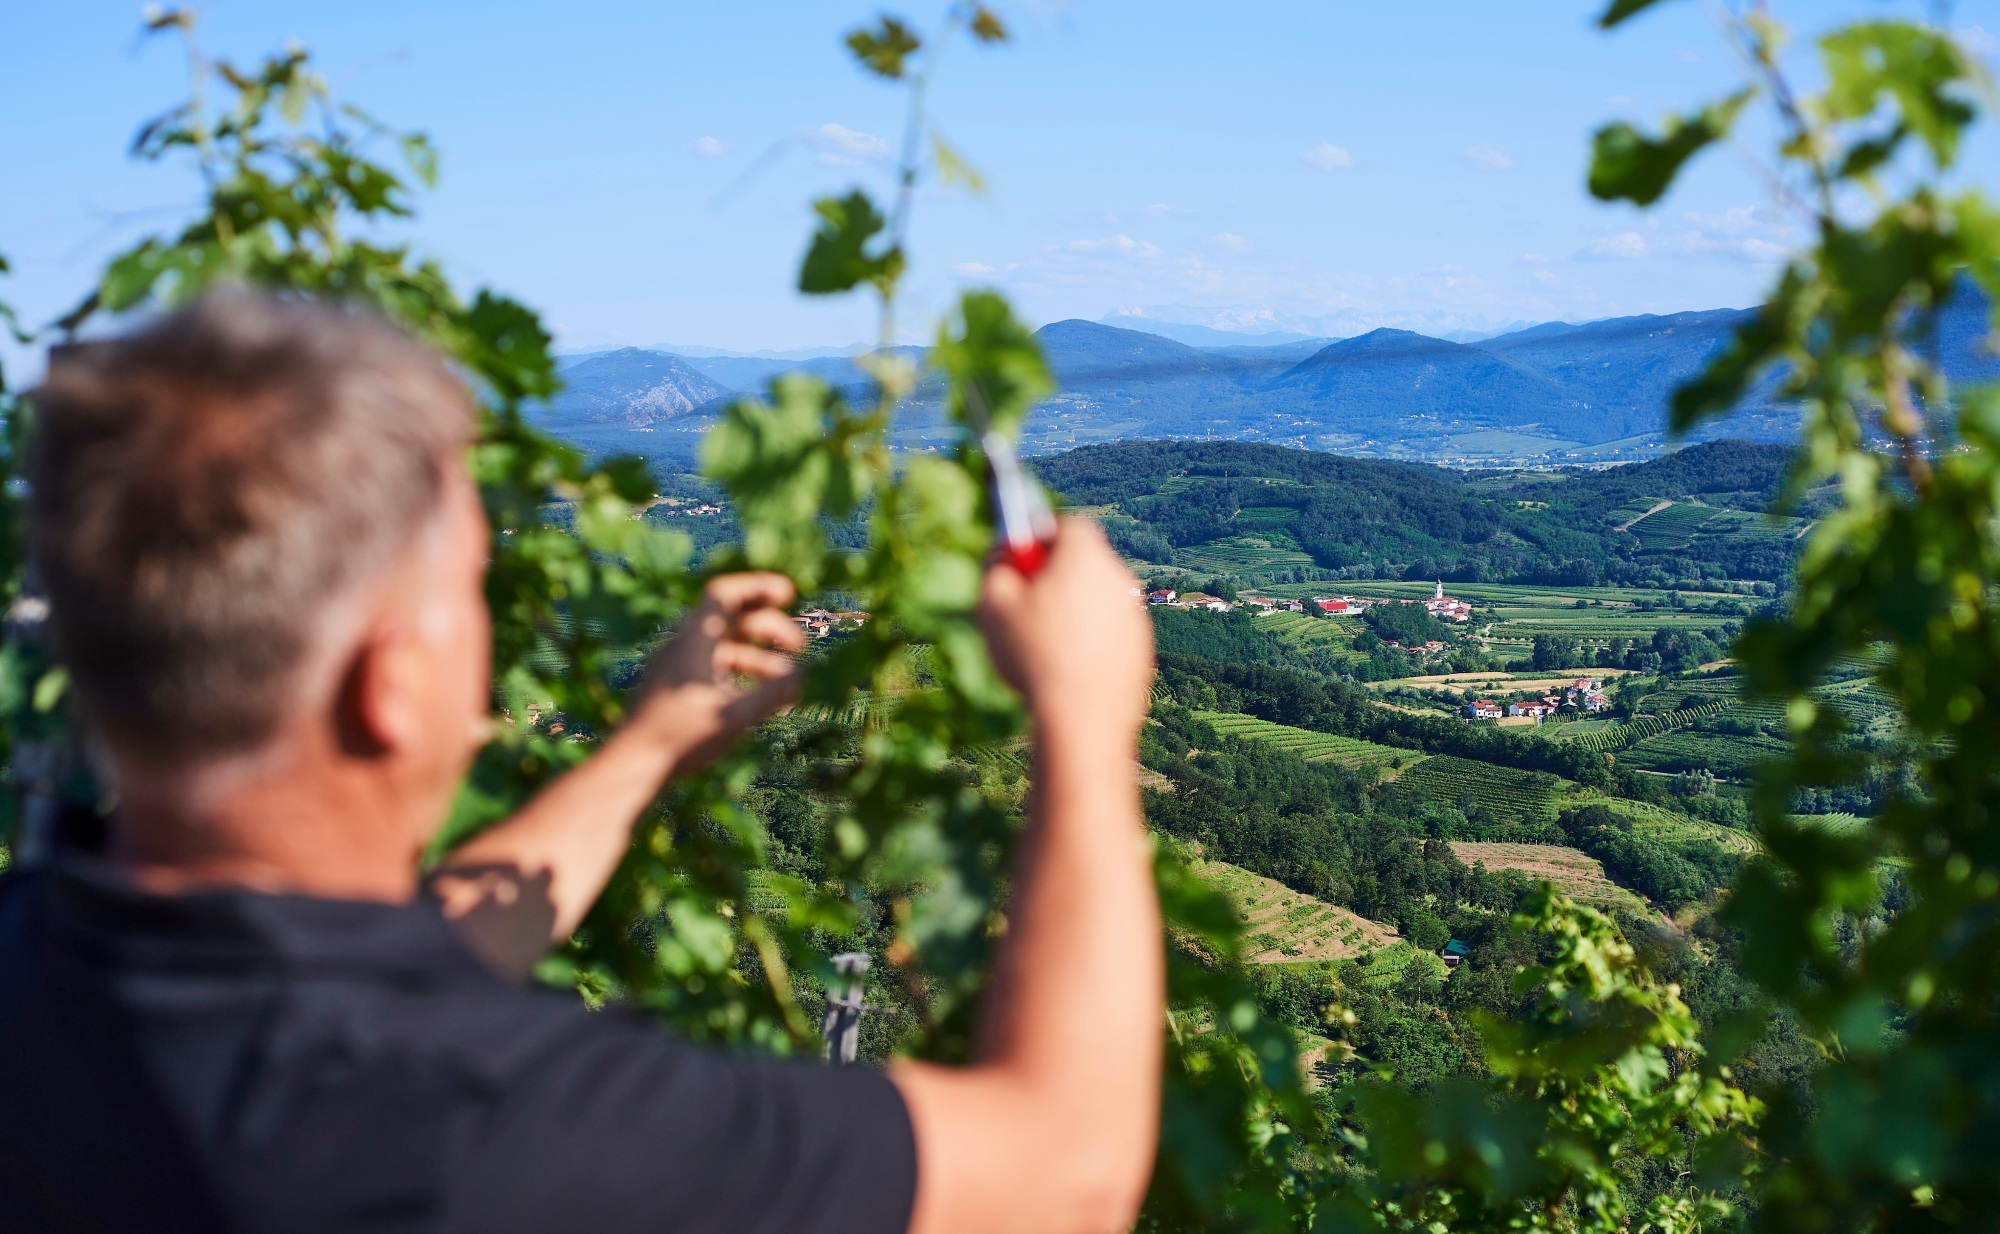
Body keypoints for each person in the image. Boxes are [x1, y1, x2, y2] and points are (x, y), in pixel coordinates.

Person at [0, 292, 1161, 1234]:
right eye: (467, 589)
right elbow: (1061, 1174)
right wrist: (1082, 710)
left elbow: (379, 966)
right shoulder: (494, 1128)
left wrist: (650, 745)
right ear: (390, 684)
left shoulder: (52, 960)